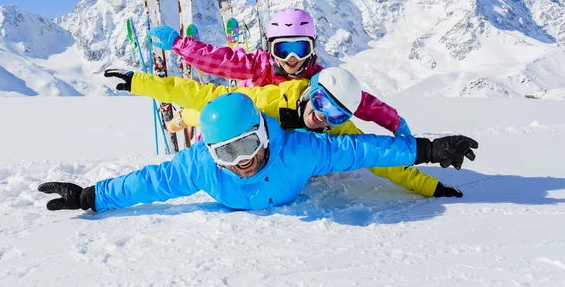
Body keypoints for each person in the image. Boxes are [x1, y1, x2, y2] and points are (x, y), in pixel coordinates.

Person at [39, 93, 478, 213]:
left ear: (263, 136)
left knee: (340, 163)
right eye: (226, 154)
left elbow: (359, 149)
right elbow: (150, 182)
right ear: (209, 151)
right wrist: (92, 196)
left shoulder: (300, 150)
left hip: (301, 178)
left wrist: (426, 148)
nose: (241, 161)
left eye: (247, 146)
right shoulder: (201, 167)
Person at [105, 67, 463, 198]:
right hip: (229, 121)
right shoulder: (268, 101)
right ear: (309, 91)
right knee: (206, 110)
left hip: (275, 152)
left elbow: (373, 153)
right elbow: (201, 93)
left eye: (336, 114)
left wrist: (428, 175)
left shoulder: (320, 140)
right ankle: (186, 119)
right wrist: (142, 83)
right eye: (321, 102)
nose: (323, 117)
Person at [149, 8, 411, 137]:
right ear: (271, 49)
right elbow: (219, 60)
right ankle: (184, 116)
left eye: (299, 48)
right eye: (283, 49)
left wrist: (394, 121)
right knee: (215, 111)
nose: (292, 59)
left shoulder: (318, 78)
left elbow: (360, 101)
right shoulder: (257, 65)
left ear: (311, 48)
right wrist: (178, 44)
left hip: (284, 135)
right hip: (252, 121)